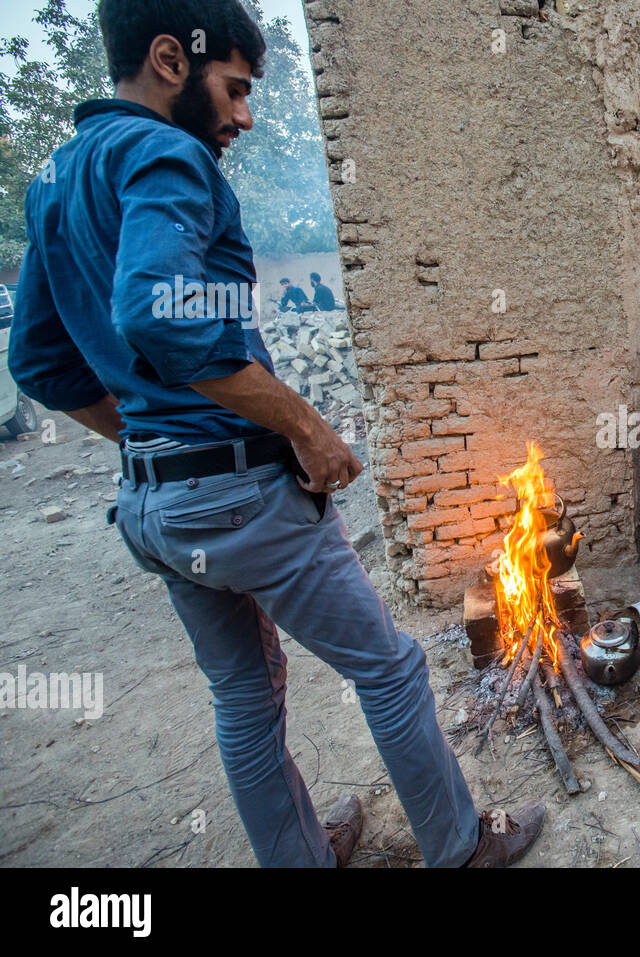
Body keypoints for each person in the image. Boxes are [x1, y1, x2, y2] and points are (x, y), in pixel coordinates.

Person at [7, 0, 542, 869]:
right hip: (242, 503)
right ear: (172, 59)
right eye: (237, 89)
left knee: (245, 697)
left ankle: (300, 854)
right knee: (392, 669)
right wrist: (305, 427)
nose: (246, 117)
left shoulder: (55, 179)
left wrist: (158, 451)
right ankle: (461, 845)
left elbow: (39, 363)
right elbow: (161, 317)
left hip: (152, 509)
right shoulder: (162, 152)